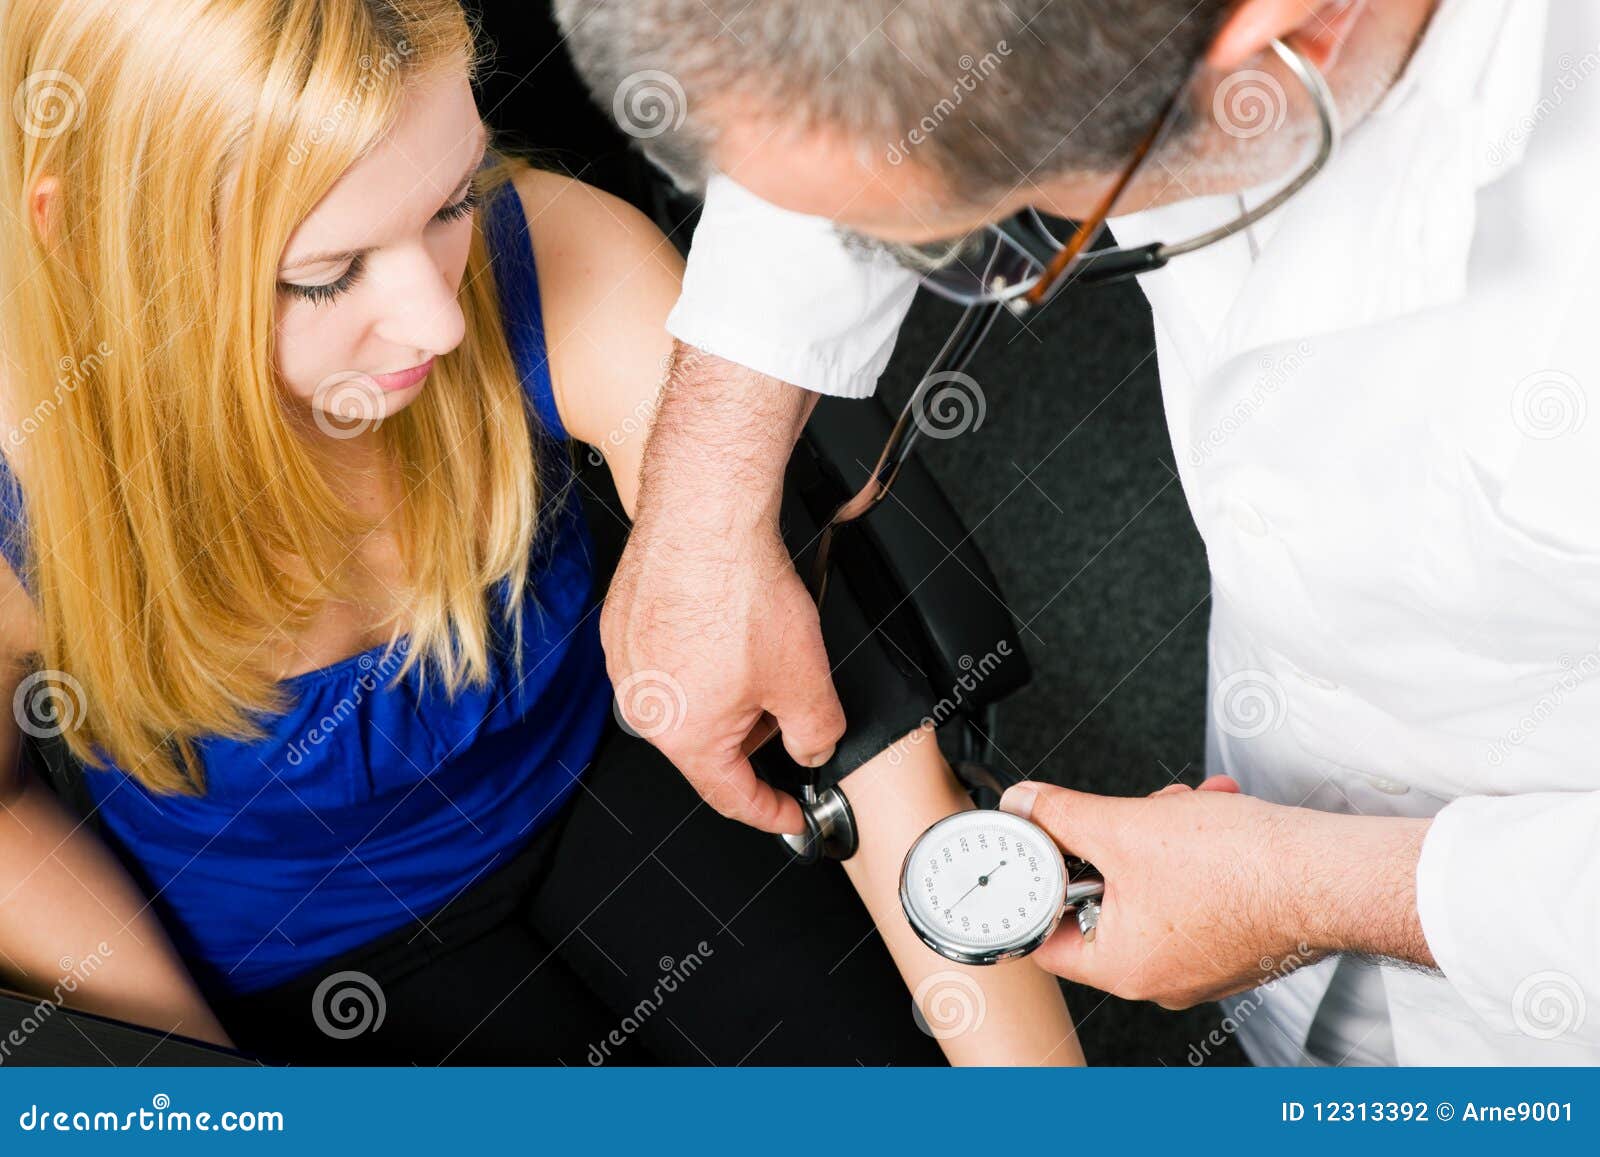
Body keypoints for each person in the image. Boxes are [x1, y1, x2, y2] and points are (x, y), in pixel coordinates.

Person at [0, 0, 1082, 1066]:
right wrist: (190, 1080)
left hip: (595, 760)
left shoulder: (553, 254)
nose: (440, 319)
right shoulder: (25, 476)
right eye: (326, 273)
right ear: (91, 231)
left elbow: (855, 726)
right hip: (300, 944)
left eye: (449, 199)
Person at [557, 0, 1600, 1065]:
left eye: (1014, 220)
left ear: (1299, 30)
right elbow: (852, 70)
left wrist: (1317, 891)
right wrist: (702, 505)